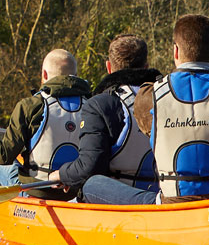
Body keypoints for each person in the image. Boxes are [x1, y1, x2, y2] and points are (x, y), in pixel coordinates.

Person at [81, 14, 209, 205]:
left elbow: (151, 135)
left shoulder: (148, 99)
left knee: (91, 184)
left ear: (175, 51)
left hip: (174, 207)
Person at [0, 49, 91, 200]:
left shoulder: (30, 106)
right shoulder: (93, 107)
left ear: (44, 75)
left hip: (35, 191)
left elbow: (4, 155)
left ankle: (0, 206)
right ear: (76, 75)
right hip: (75, 192)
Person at [47, 34, 161, 195]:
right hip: (162, 197)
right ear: (147, 65)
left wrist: (62, 174)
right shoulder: (166, 98)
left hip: (117, 204)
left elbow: (89, 167)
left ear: (109, 67)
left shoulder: (100, 104)